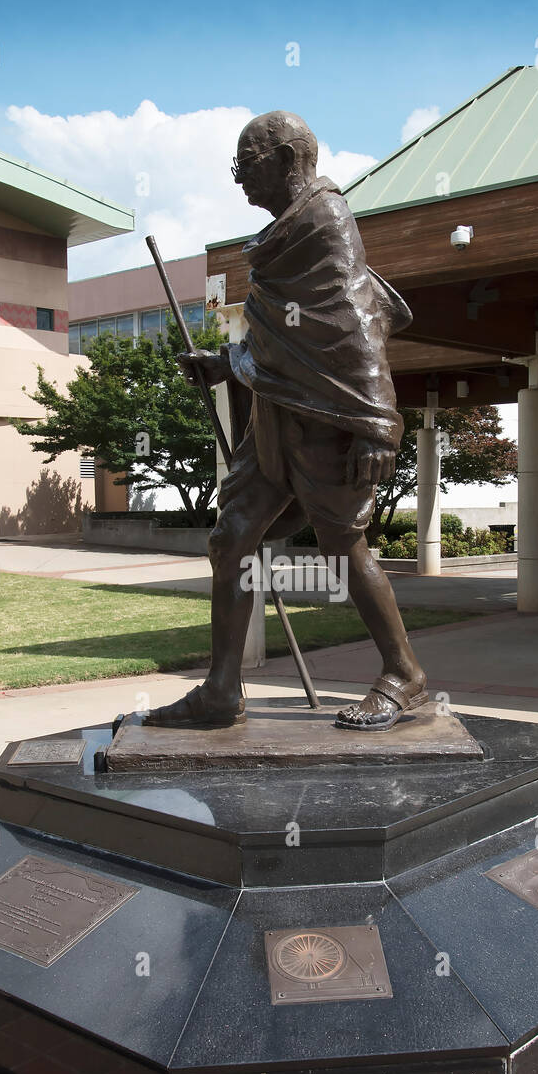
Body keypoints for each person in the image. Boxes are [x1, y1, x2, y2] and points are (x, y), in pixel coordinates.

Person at [144, 111, 427, 732]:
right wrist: (224, 363)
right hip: (274, 418)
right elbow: (281, 341)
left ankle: (404, 675)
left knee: (342, 543)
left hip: (327, 420)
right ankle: (221, 689)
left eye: (247, 162)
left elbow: (353, 323)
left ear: (287, 159)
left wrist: (378, 424)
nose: (239, 177)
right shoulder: (283, 235)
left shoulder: (323, 222)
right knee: (232, 537)